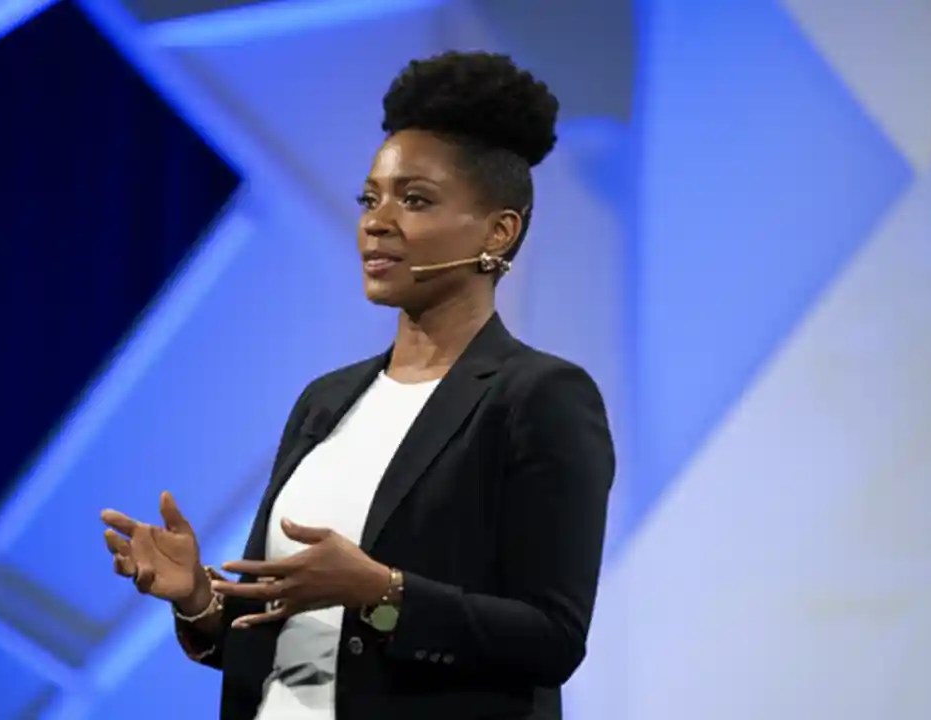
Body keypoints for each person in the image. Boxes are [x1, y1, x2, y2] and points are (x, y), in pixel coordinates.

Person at [100, 50, 615, 720]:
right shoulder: (326, 400)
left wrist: (382, 590)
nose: (378, 220)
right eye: (370, 198)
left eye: (416, 200)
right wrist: (199, 598)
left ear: (498, 231)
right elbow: (289, 644)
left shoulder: (539, 396)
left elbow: (551, 639)